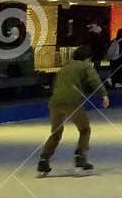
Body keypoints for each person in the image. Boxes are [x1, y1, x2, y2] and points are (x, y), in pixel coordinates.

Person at [37, 45, 110, 176]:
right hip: (72, 102)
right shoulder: (86, 66)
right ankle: (80, 156)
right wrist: (103, 94)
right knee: (85, 129)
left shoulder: (64, 68)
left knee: (56, 133)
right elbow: (94, 79)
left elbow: (55, 84)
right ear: (87, 58)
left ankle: (44, 159)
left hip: (55, 102)